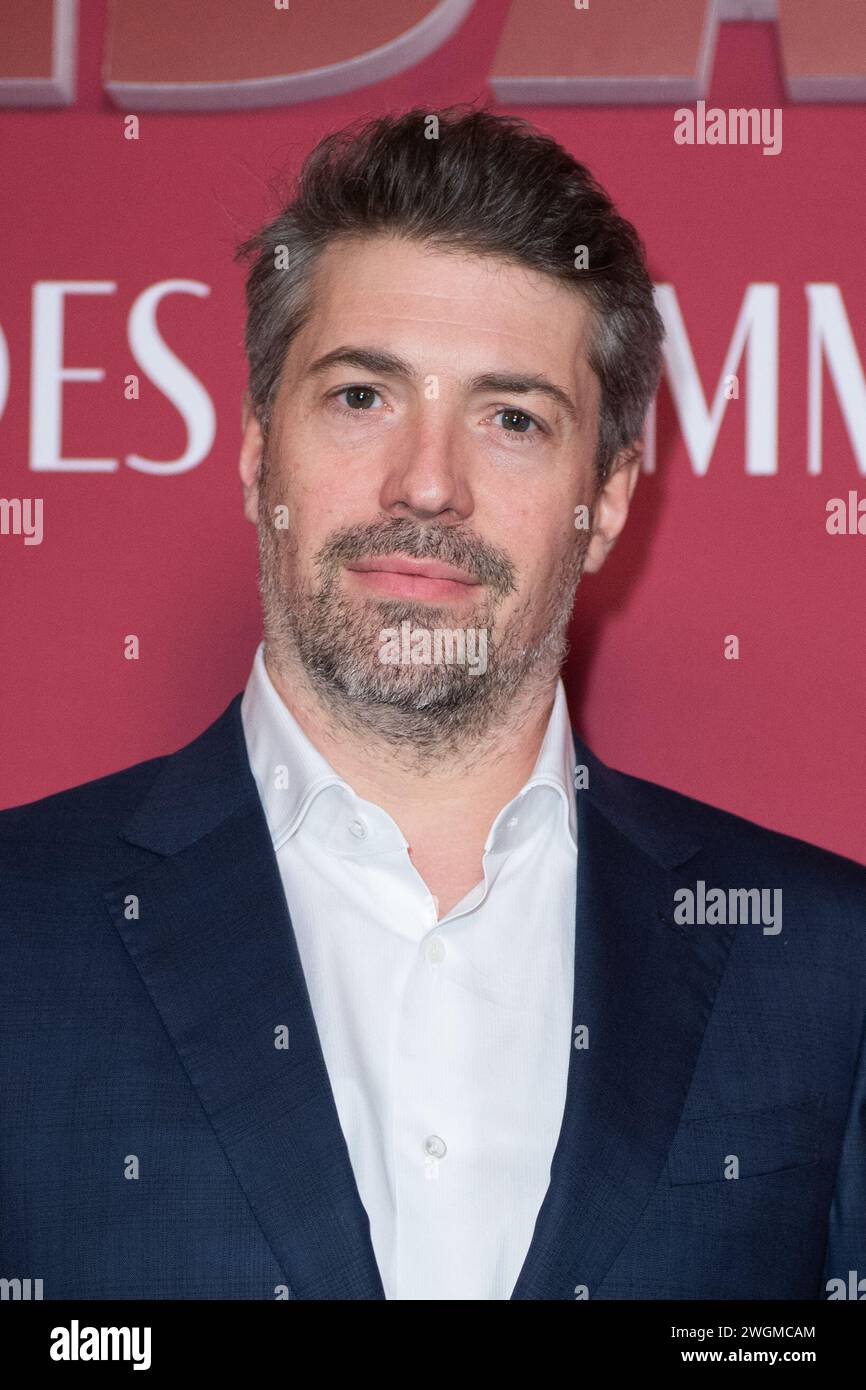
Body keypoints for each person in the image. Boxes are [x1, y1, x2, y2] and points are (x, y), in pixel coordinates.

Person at [1, 106, 864, 1301]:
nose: (426, 483)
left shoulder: (823, 963)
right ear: (259, 450)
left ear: (605, 499)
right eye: (362, 396)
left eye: (510, 419)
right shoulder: (18, 934)